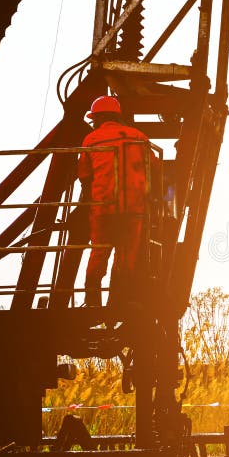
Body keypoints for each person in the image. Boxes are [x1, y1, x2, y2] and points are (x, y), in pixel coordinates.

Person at [78, 95, 153, 307]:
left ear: (99, 118)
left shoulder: (92, 139)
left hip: (103, 208)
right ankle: (117, 304)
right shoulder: (139, 137)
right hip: (133, 209)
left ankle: (92, 303)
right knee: (126, 256)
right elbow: (155, 168)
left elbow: (84, 175)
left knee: (99, 253)